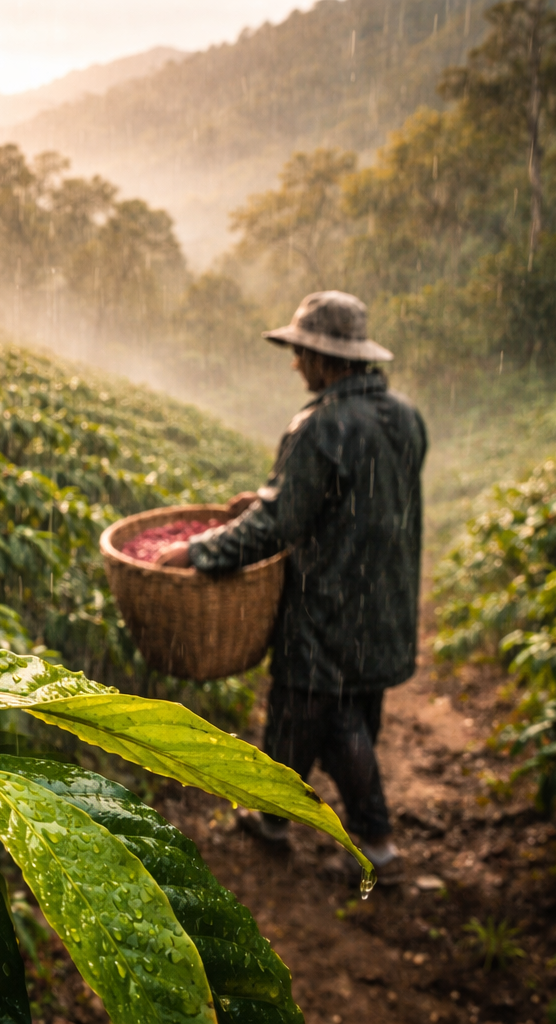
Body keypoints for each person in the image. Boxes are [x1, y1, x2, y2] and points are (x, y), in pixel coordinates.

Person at [155, 291, 427, 878]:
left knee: (328, 717)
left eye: (301, 353)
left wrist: (198, 552)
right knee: (314, 713)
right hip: (386, 597)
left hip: (328, 601)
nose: (296, 364)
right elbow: (353, 496)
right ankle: (273, 820)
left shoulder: (320, 424)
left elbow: (278, 526)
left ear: (326, 358)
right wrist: (268, 501)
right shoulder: (405, 415)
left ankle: (378, 845)